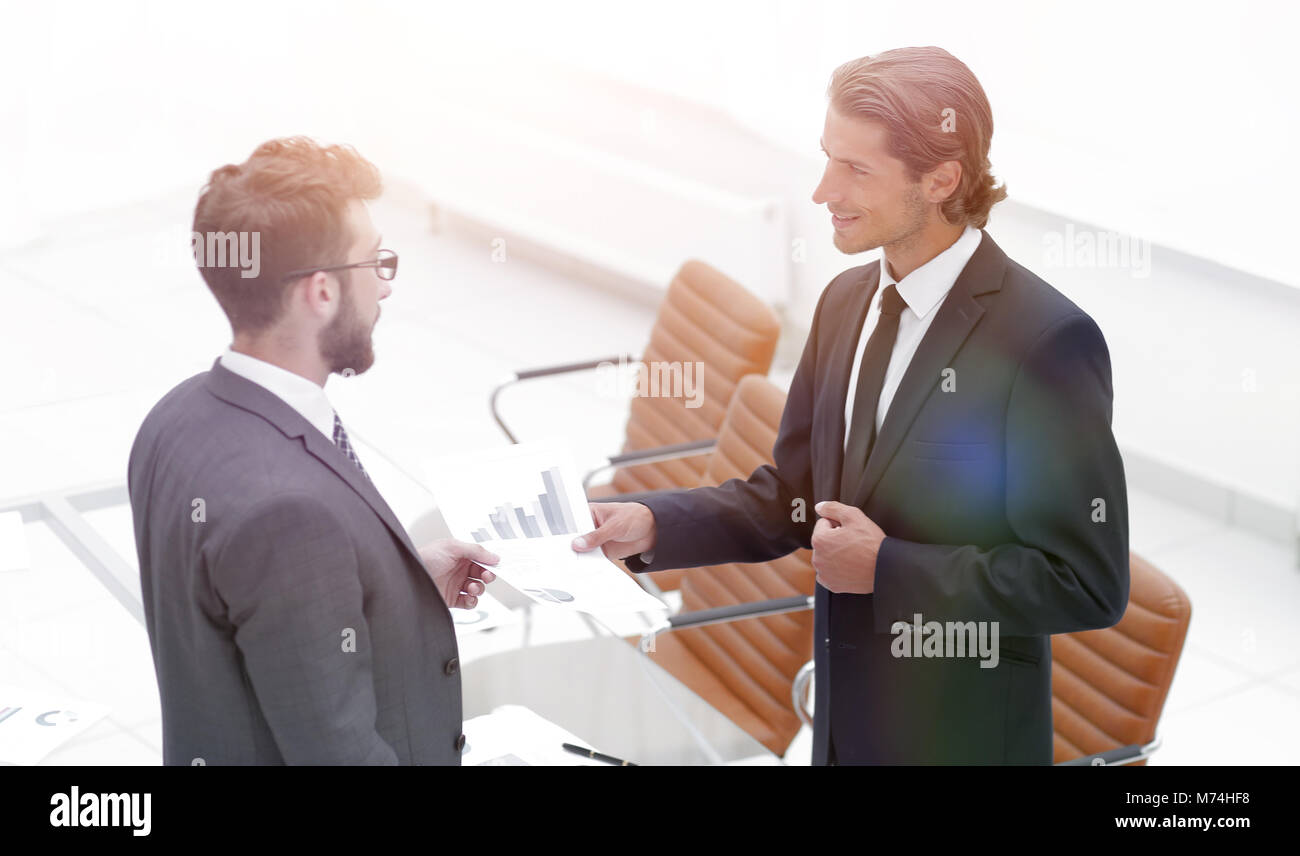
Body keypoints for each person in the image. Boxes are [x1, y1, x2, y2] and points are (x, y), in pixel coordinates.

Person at [573, 47, 1129, 765]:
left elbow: (1085, 583)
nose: (822, 191)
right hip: (842, 731)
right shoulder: (844, 304)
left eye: (855, 170)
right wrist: (652, 523)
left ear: (942, 178)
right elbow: (793, 500)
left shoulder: (1045, 343)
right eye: (827, 159)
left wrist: (887, 568)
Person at [128, 137, 498, 765]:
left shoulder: (173, 418)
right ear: (321, 292)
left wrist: (396, 590)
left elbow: (258, 628)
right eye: (374, 263)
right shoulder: (289, 512)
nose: (384, 288)